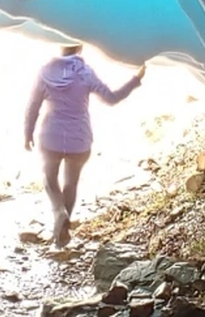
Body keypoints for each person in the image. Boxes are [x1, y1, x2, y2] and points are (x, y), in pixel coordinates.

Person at [24, 43, 146, 248]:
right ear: (80, 46)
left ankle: (58, 212)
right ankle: (62, 235)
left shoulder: (45, 72)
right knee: (71, 183)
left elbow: (33, 105)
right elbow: (112, 98)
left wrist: (28, 132)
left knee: (49, 179)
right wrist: (136, 79)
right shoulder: (85, 73)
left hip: (50, 136)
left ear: (59, 45)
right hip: (79, 139)